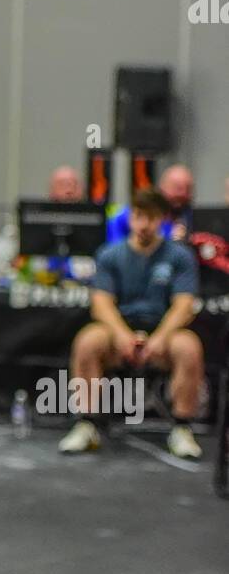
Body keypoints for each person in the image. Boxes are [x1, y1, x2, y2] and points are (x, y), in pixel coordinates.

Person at [59, 188, 203, 459]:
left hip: (163, 331)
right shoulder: (110, 255)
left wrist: (160, 337)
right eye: (138, 216)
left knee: (189, 347)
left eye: (150, 217)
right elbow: (101, 303)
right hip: (119, 330)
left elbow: (184, 305)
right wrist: (123, 335)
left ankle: (182, 428)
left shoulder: (180, 256)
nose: (143, 224)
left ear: (162, 219)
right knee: (88, 341)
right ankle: (86, 423)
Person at [107, 164, 195, 244]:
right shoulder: (135, 212)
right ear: (163, 186)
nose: (183, 194)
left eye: (188, 189)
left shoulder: (188, 216)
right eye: (178, 188)